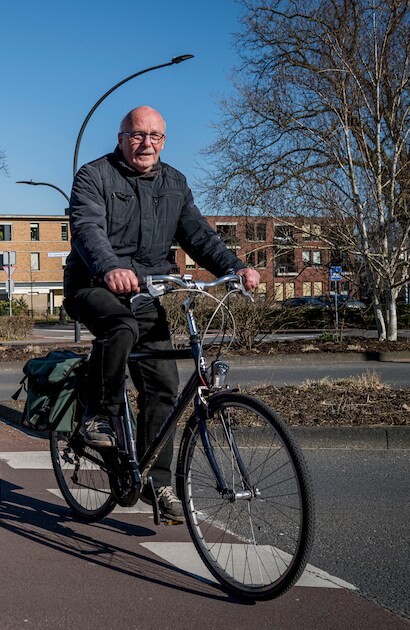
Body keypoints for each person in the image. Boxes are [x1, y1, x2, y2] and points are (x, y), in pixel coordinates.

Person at [63, 106, 261, 523]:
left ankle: (158, 482)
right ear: (121, 138)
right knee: (118, 327)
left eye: (154, 136)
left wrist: (234, 268)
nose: (145, 143)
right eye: (137, 135)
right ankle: (97, 415)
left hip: (148, 290)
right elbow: (87, 228)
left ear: (164, 141)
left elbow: (199, 235)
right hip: (94, 284)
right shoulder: (94, 176)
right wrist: (109, 267)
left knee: (164, 385)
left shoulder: (174, 182)